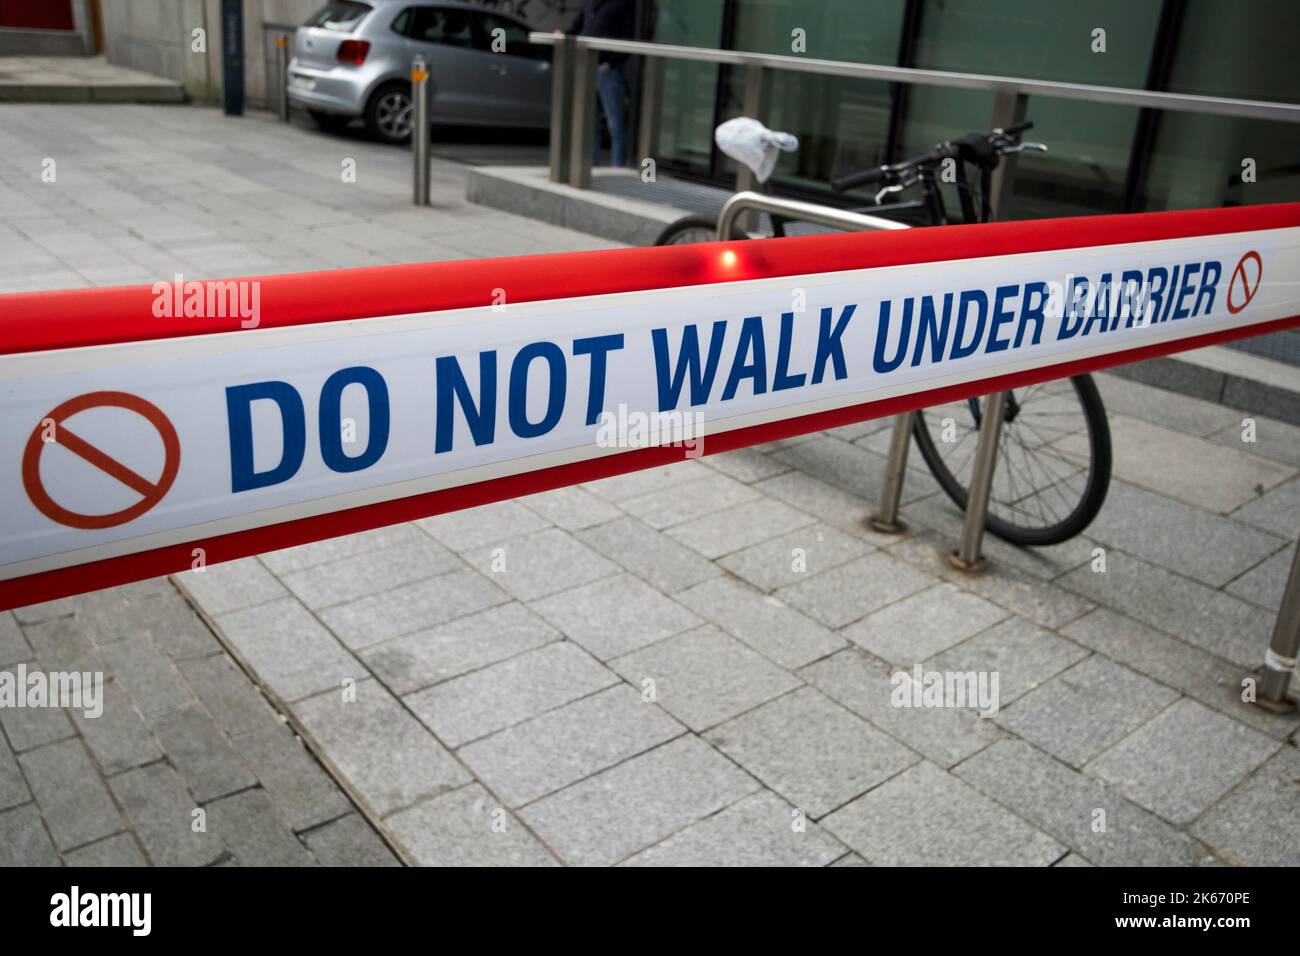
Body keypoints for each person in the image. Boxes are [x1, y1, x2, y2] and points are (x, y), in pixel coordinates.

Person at [556, 0, 636, 167]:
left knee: (615, 125)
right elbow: (577, 27)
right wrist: (563, 34)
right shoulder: (590, 3)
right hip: (587, 66)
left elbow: (629, 36)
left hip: (608, 70)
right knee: (589, 124)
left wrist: (610, 64)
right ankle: (589, 166)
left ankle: (617, 170)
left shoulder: (624, 4)